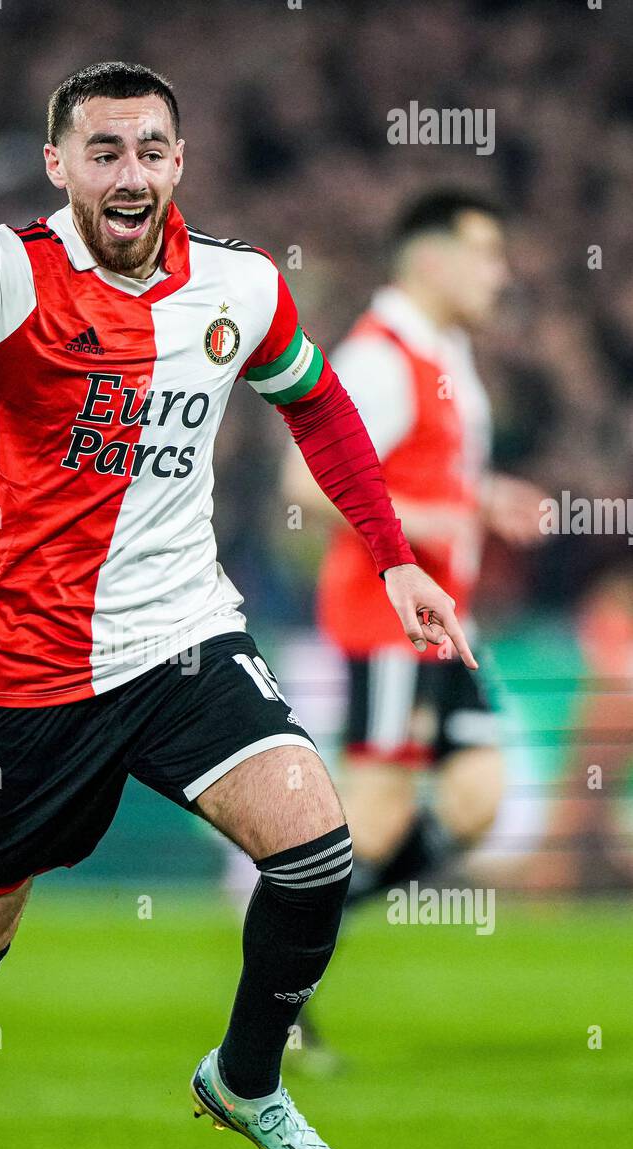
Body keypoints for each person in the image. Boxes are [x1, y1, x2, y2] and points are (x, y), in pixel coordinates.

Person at [0, 63, 473, 1149]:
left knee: (316, 851)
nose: (130, 173)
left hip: (182, 639)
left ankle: (246, 1078)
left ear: (179, 162)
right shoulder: (8, 274)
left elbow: (317, 406)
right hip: (30, 668)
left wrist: (392, 560)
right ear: (59, 166)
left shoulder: (237, 285)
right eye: (103, 151)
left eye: (150, 150)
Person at [281, 190, 543, 1064]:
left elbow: (425, 477)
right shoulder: (380, 355)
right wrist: (432, 519)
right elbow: (303, 483)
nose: (499, 274)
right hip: (386, 619)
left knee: (477, 799)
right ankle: (277, 977)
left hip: (441, 623)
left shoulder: (444, 353)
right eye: (485, 253)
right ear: (430, 259)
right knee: (379, 817)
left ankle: (295, 957)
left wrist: (479, 501)